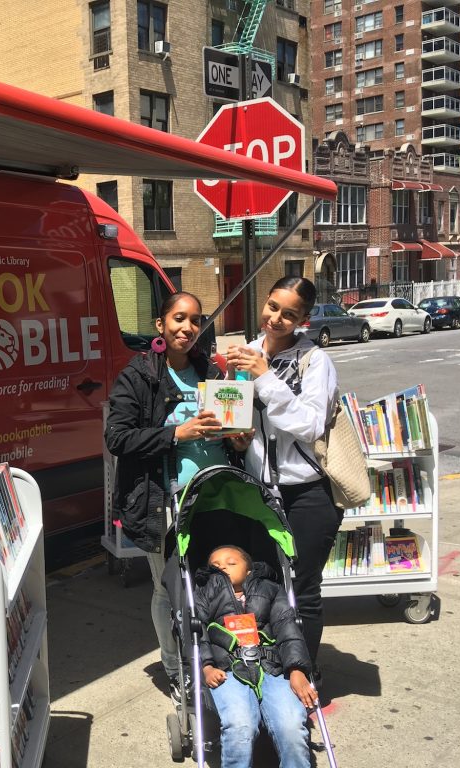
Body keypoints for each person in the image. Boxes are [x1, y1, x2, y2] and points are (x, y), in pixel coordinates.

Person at [105, 291, 251, 691]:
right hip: (164, 503)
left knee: (217, 583)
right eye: (179, 319)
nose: (188, 328)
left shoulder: (212, 372)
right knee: (168, 590)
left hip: (216, 496)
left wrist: (238, 441)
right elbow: (117, 437)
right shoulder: (139, 376)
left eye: (195, 320)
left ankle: (214, 659)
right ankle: (177, 669)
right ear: (161, 325)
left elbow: (229, 432)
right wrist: (176, 434)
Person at [224, 276, 340, 673]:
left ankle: (302, 674)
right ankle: (266, 668)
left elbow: (310, 425)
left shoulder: (315, 361)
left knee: (303, 591)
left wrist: (266, 377)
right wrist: (238, 440)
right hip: (259, 492)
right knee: (259, 587)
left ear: (303, 319)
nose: (275, 318)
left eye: (289, 314)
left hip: (307, 493)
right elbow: (236, 417)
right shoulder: (246, 354)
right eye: (273, 307)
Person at [195, 545, 316, 768]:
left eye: (231, 563)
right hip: (226, 668)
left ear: (249, 570)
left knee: (291, 724)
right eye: (216, 565)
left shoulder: (270, 589)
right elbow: (196, 633)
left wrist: (296, 669)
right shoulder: (204, 593)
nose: (223, 567)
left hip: (272, 665)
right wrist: (207, 666)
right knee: (240, 725)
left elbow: (287, 629)